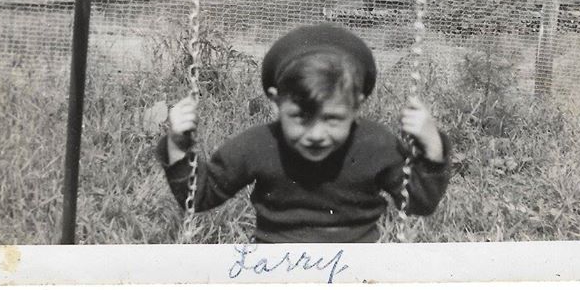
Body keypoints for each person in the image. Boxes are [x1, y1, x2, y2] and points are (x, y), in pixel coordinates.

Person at [157, 23, 451, 243]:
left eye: (333, 119)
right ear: (276, 100)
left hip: (355, 266)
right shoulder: (258, 145)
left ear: (357, 105)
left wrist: (432, 146)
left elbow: (419, 203)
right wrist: (177, 143)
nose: (316, 135)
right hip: (275, 264)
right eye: (300, 117)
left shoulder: (376, 145)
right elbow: (198, 197)